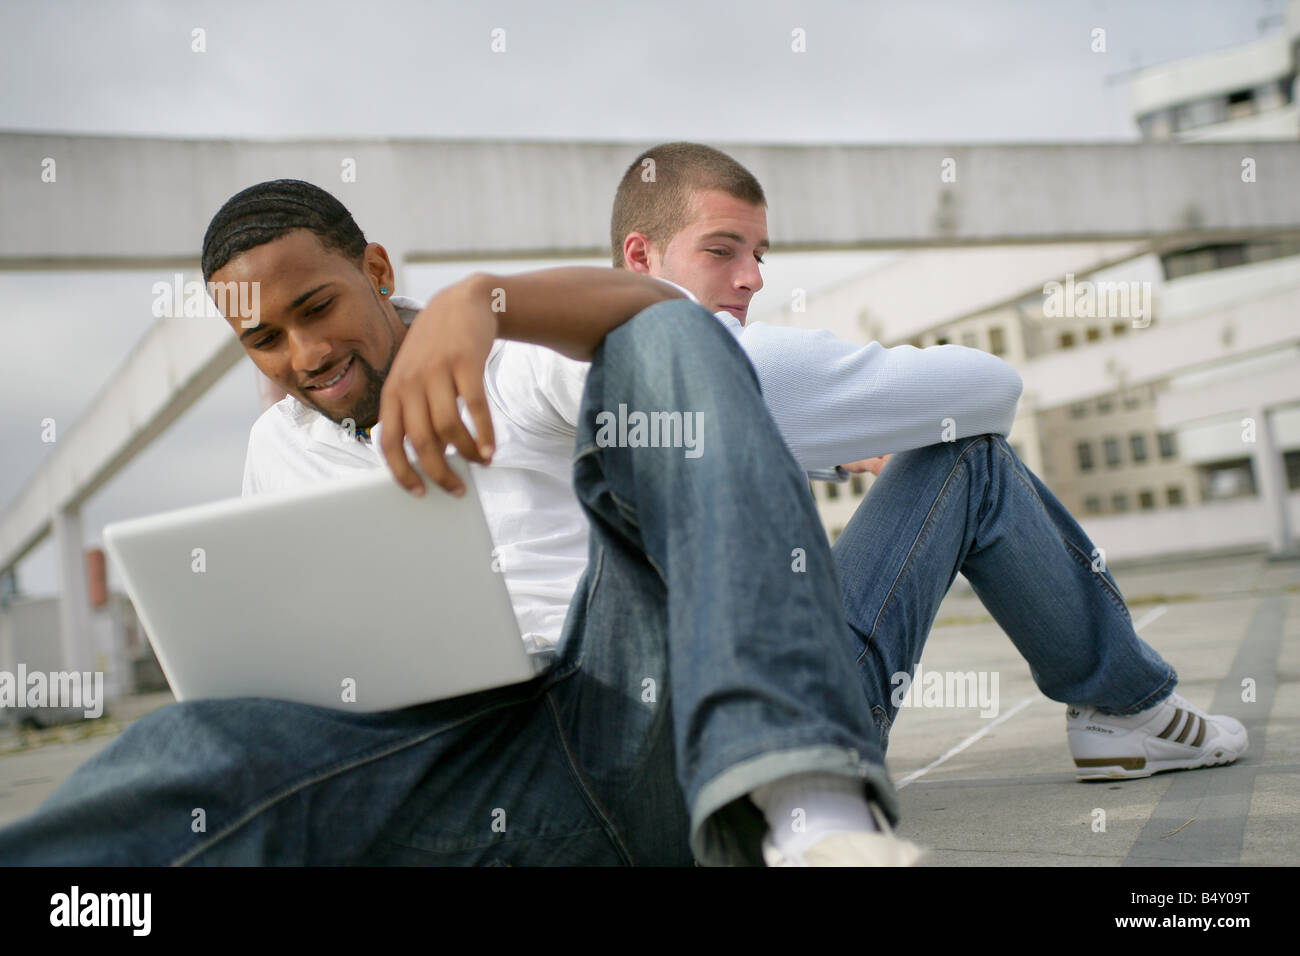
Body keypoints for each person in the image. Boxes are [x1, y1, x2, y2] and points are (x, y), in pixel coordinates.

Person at [0, 179, 923, 867]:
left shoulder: (514, 359)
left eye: (316, 308)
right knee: (183, 745)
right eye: (265, 340)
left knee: (657, 343)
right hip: (480, 782)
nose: (306, 354)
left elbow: (678, 328)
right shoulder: (275, 452)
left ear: (374, 270)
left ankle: (814, 813)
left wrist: (483, 301)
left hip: (643, 725)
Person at [605, 142, 1248, 799]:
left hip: (621, 755)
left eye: (759, 255)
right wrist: (868, 425)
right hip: (777, 736)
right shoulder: (714, 353)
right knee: (967, 455)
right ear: (640, 257)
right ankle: (1129, 710)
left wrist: (830, 449)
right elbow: (990, 386)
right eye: (722, 250)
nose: (753, 278)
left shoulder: (561, 367)